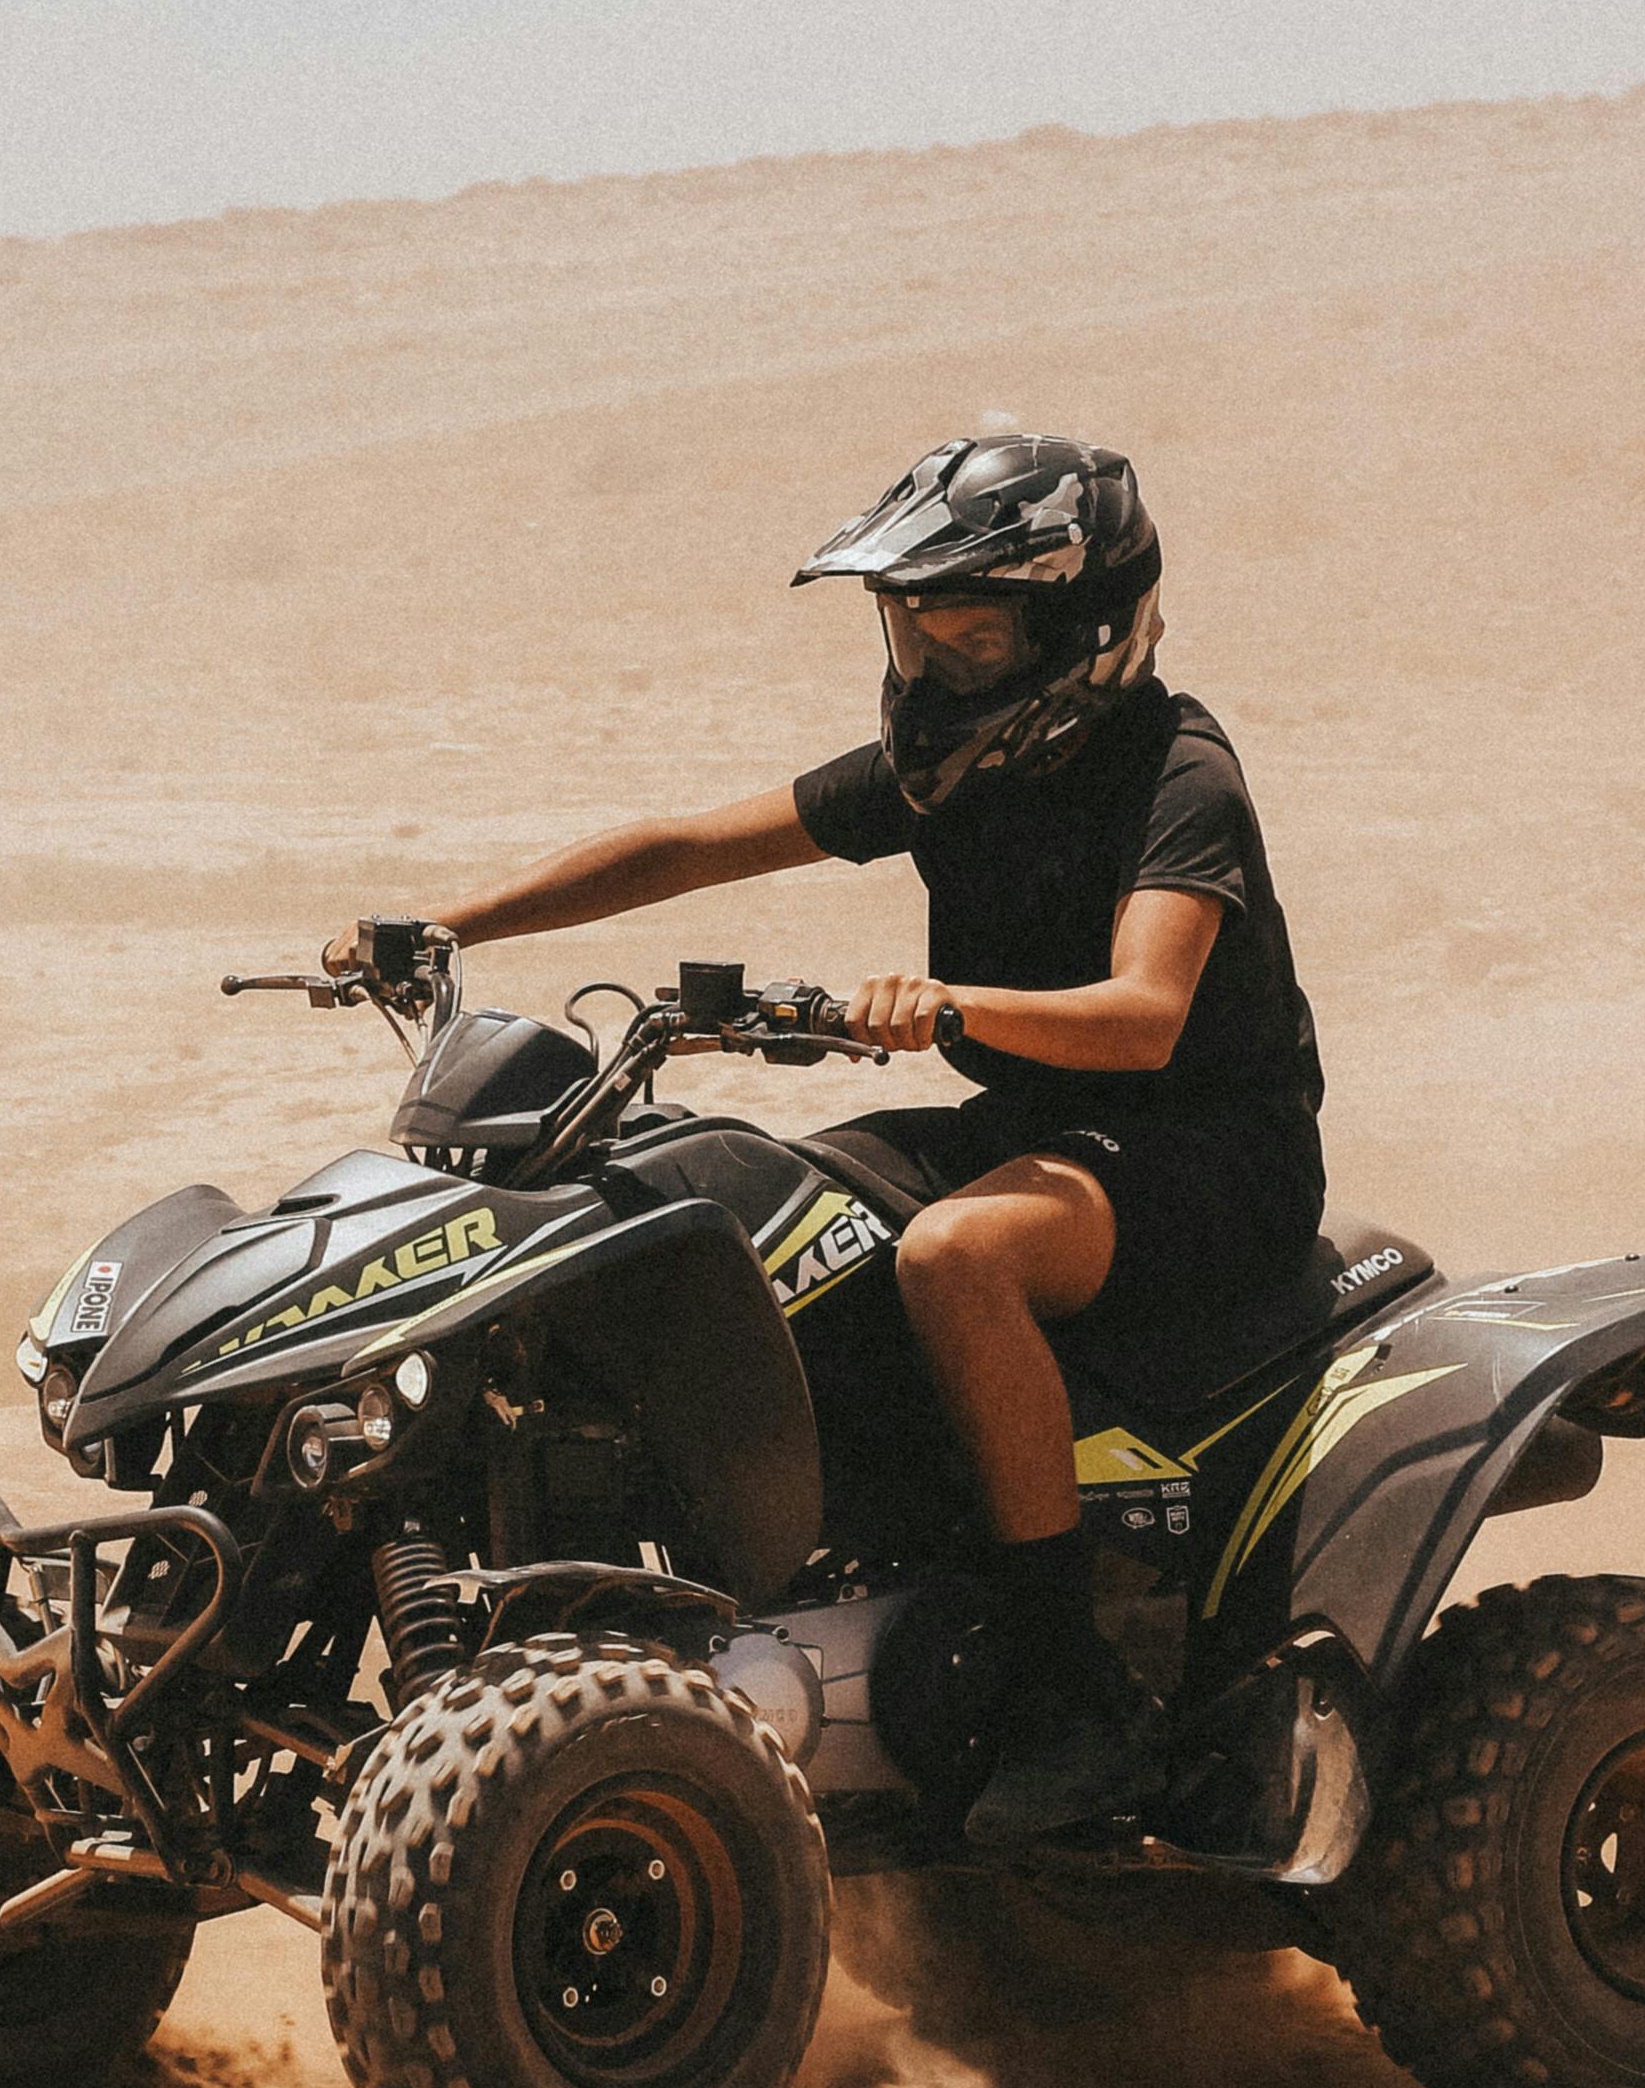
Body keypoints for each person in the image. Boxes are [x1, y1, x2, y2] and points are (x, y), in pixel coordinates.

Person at [331, 429, 1326, 1851]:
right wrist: (451, 924)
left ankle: (1066, 1687)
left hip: (1205, 1154)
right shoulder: (945, 774)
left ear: (1080, 628)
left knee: (953, 1257)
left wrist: (944, 1005)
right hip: (1035, 1123)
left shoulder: (1179, 772)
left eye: (971, 630)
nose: (933, 663)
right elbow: (684, 846)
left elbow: (1147, 1015)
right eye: (914, 628)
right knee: (760, 1220)